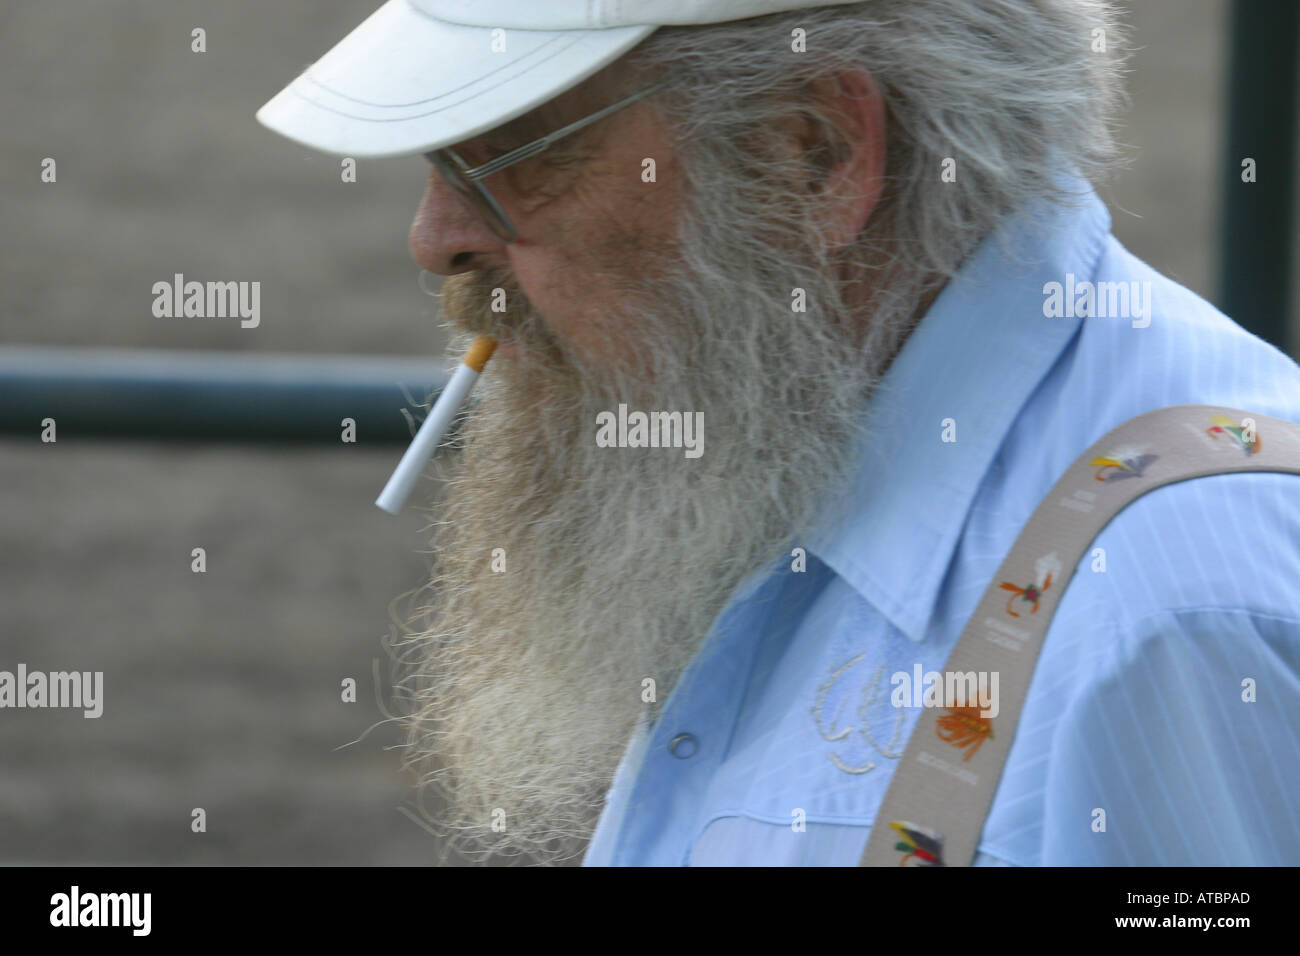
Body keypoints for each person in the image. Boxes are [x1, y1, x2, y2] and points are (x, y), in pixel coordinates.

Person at [258, 0, 1300, 865]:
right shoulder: (768, 430)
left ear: (813, 152)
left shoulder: (1167, 621)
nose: (435, 239)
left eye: (508, 158)